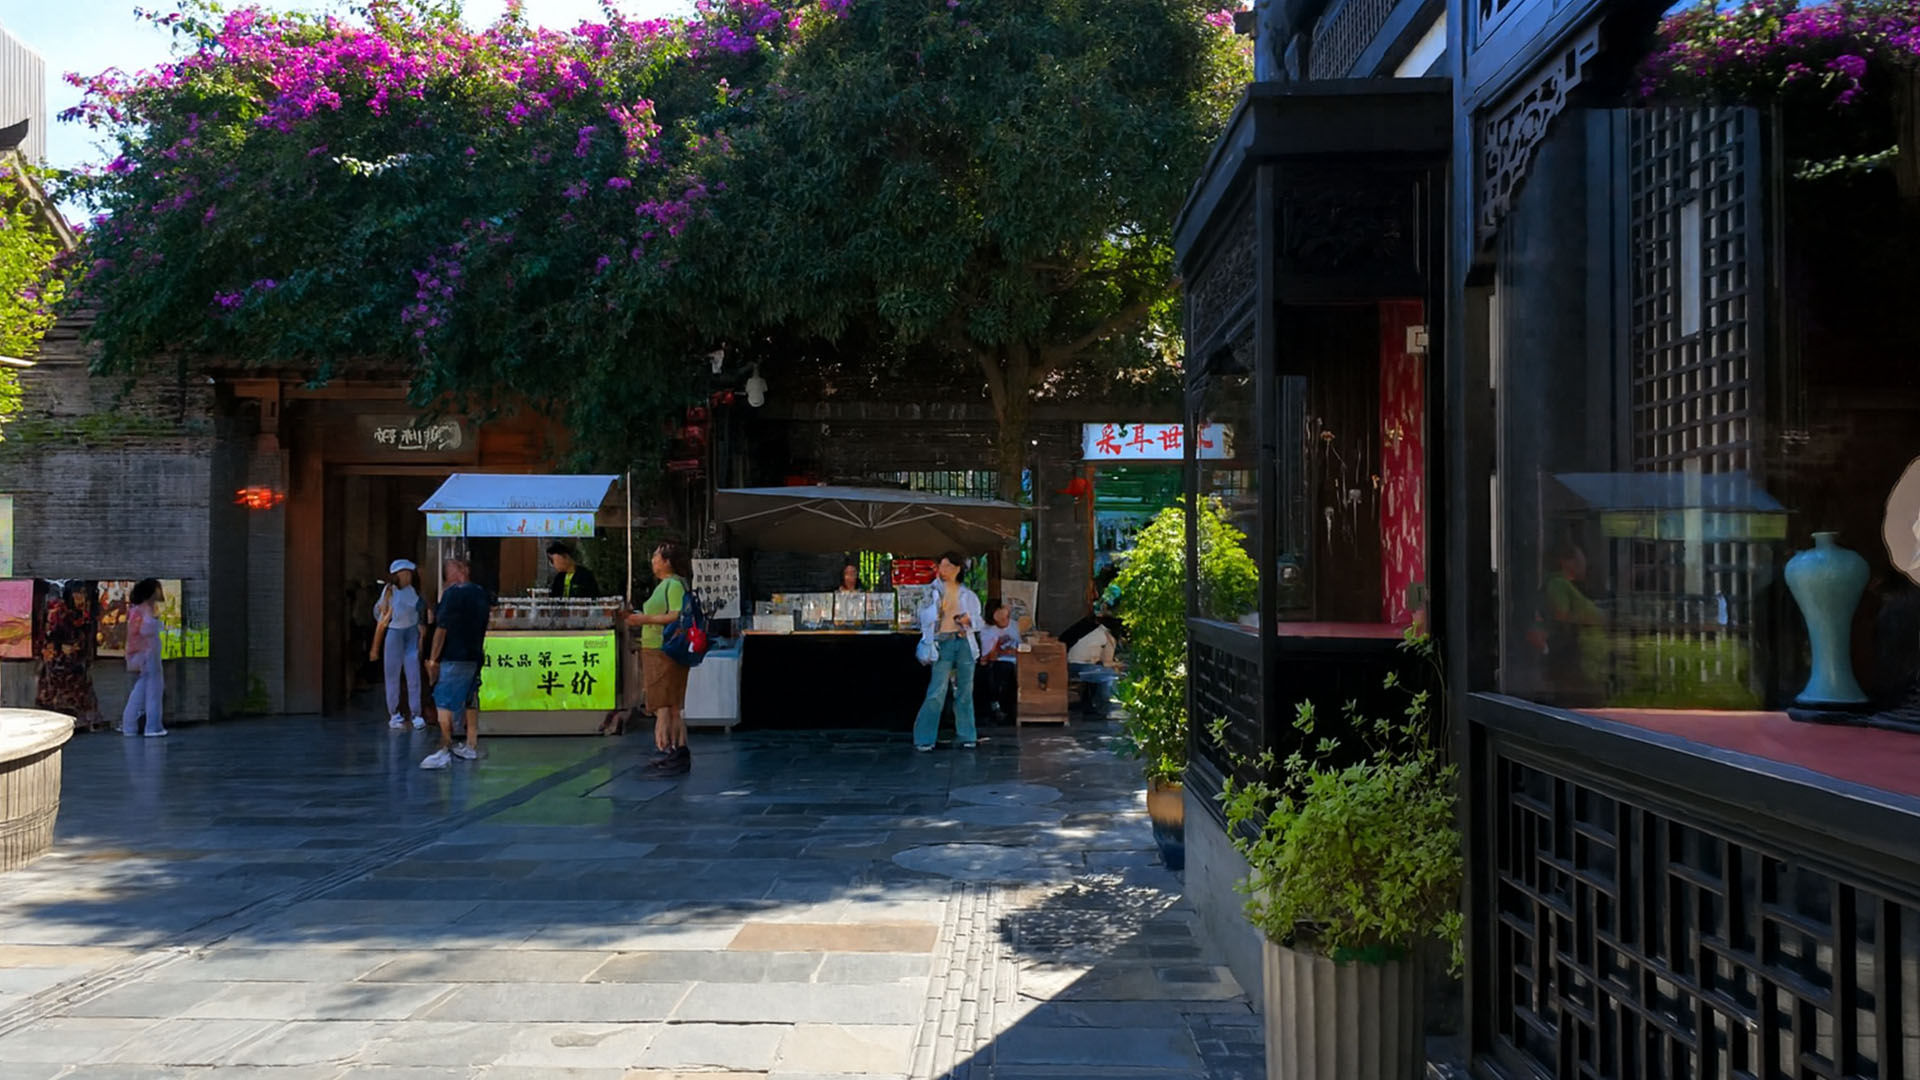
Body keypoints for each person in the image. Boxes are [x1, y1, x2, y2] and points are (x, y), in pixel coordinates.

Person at [626, 541, 694, 776]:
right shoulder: (668, 585)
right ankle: (676, 751)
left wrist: (643, 620)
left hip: (663, 649)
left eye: (656, 557)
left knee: (664, 704)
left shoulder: (673, 585)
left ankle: (666, 750)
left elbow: (675, 614)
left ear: (667, 561)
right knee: (671, 704)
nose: (653, 562)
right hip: (660, 648)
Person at [422, 556, 490, 770]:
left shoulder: (452, 595)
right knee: (470, 699)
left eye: (450, 571)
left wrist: (433, 659)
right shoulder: (481, 593)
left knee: (444, 702)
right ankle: (471, 745)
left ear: (462, 570)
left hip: (454, 656)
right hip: (474, 654)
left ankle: (444, 748)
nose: (447, 576)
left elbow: (441, 629)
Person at [914, 552, 982, 751]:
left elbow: (979, 621)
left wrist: (968, 621)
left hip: (963, 642)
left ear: (957, 569)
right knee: (937, 690)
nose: (943, 570)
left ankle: (967, 734)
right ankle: (924, 737)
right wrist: (936, 611)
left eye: (947, 566)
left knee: (965, 690)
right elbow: (922, 617)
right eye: (941, 566)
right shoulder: (933, 591)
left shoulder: (968, 594)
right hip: (942, 641)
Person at [372, 559, 431, 730]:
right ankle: (394, 713)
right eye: (404, 574)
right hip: (394, 633)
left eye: (409, 574)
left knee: (413, 674)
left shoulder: (415, 592)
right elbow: (380, 613)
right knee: (392, 674)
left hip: (411, 632)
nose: (407, 577)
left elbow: (421, 610)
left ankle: (416, 713)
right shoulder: (389, 591)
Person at [37, 581, 102, 730]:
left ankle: (82, 722)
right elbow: (48, 636)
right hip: (58, 661)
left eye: (82, 594)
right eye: (77, 594)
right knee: (57, 693)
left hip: (76, 660)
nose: (80, 598)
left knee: (80, 690)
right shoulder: (58, 613)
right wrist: (60, 647)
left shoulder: (84, 613)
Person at [120, 578, 168, 737]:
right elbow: (145, 630)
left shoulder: (136, 610)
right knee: (154, 690)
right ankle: (153, 726)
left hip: (142, 655)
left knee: (140, 691)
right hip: (148, 655)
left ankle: (129, 725)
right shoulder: (144, 610)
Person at [1062, 607, 1122, 720]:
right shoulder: (1108, 637)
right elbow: (1106, 663)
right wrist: (1119, 665)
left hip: (1069, 664)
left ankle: (1090, 705)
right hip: (1079, 666)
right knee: (1108, 675)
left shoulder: (1094, 630)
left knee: (1098, 671)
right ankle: (1102, 708)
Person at [976, 599, 1021, 721]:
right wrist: (998, 647)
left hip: (1016, 661)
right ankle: (997, 706)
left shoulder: (1015, 625)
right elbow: (987, 657)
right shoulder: (987, 630)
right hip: (998, 663)